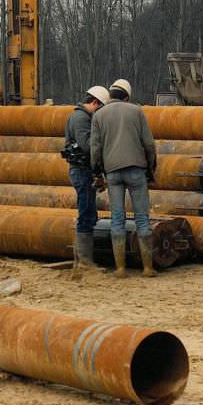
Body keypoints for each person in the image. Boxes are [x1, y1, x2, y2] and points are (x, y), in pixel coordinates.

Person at [90, 78, 157, 278]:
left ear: (110, 95)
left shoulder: (99, 115)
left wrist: (97, 171)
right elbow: (149, 144)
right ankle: (147, 268)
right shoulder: (136, 111)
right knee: (142, 218)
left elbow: (95, 148)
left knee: (117, 219)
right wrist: (151, 168)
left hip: (112, 172)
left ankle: (120, 268)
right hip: (136, 170)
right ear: (127, 97)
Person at [63, 85, 110, 274]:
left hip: (84, 171)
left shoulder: (82, 117)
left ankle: (84, 260)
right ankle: (84, 262)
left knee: (89, 212)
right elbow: (87, 145)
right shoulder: (81, 118)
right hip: (81, 171)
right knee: (86, 213)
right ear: (95, 103)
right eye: (100, 108)